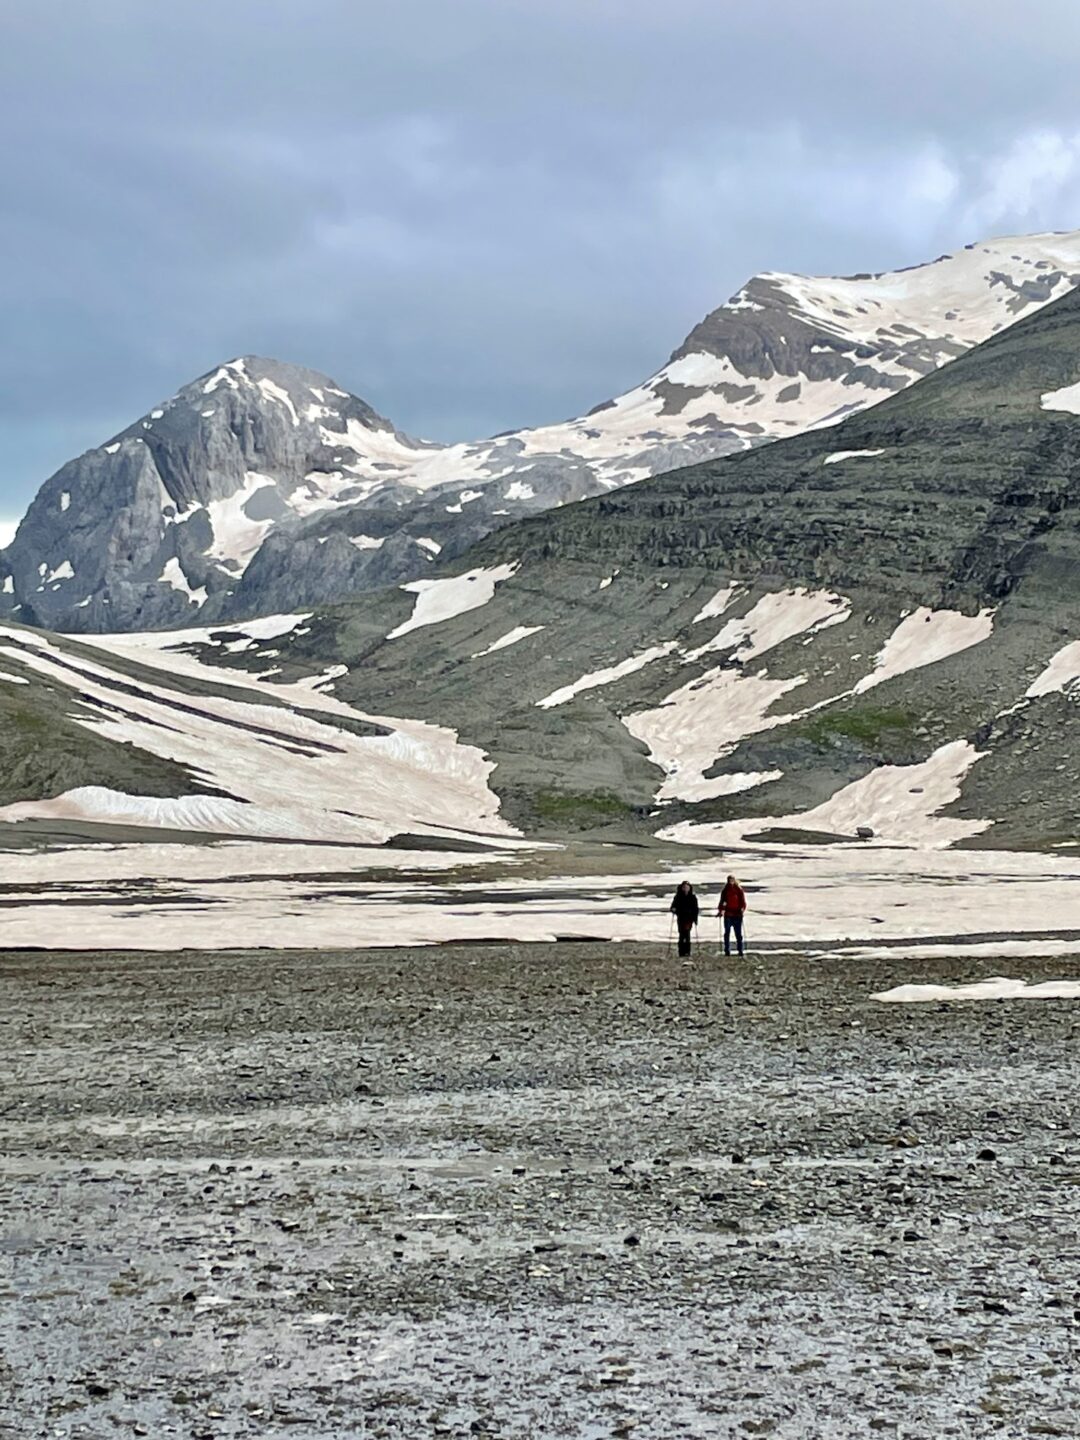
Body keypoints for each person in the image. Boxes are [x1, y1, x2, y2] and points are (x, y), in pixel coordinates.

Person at [718, 874, 747, 956]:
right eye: (729, 880)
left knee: (738, 933)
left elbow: (743, 902)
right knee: (727, 932)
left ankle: (740, 950)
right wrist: (721, 910)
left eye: (732, 880)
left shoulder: (739, 890)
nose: (731, 882)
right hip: (728, 914)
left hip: (737, 914)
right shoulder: (725, 890)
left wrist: (742, 909)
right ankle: (727, 950)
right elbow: (722, 901)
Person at [669, 880, 699, 958]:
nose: (686, 889)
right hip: (681, 918)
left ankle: (687, 952)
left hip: (689, 918)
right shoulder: (678, 897)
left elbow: (696, 909)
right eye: (684, 887)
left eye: (687, 887)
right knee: (682, 935)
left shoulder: (693, 897)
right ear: (682, 888)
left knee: (687, 934)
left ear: (689, 888)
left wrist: (695, 919)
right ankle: (681, 952)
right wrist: (674, 910)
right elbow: (672, 907)